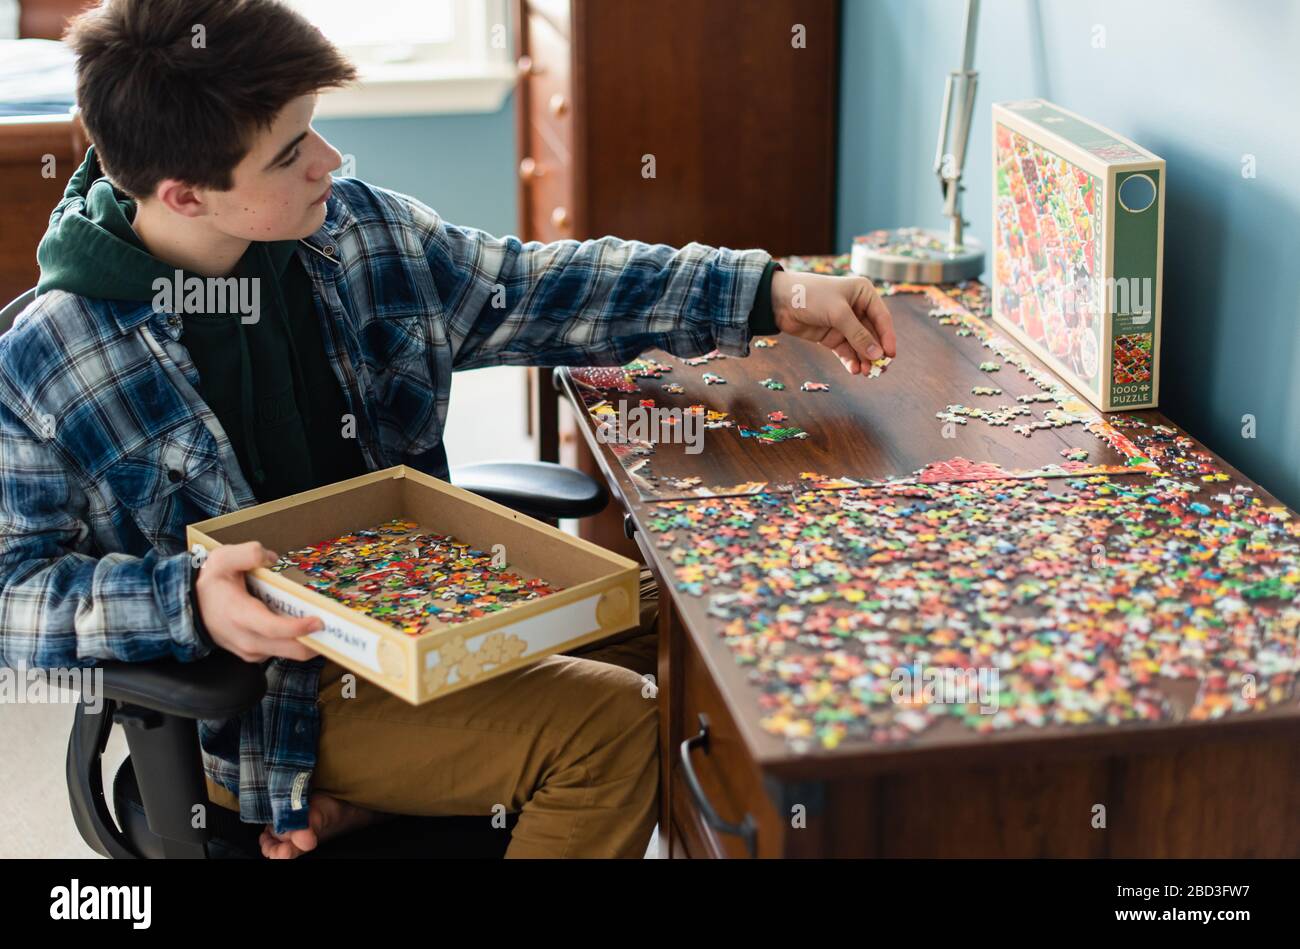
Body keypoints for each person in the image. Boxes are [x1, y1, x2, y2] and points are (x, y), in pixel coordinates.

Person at [0, 0, 896, 859]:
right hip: (272, 702)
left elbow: (543, 285)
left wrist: (767, 292)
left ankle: (390, 793)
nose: (329, 159)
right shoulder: (49, 356)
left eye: (315, 126)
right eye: (289, 154)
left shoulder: (352, 234)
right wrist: (184, 598)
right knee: (610, 729)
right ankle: (377, 787)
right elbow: (13, 596)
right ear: (185, 195)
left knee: (711, 621)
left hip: (429, 615)